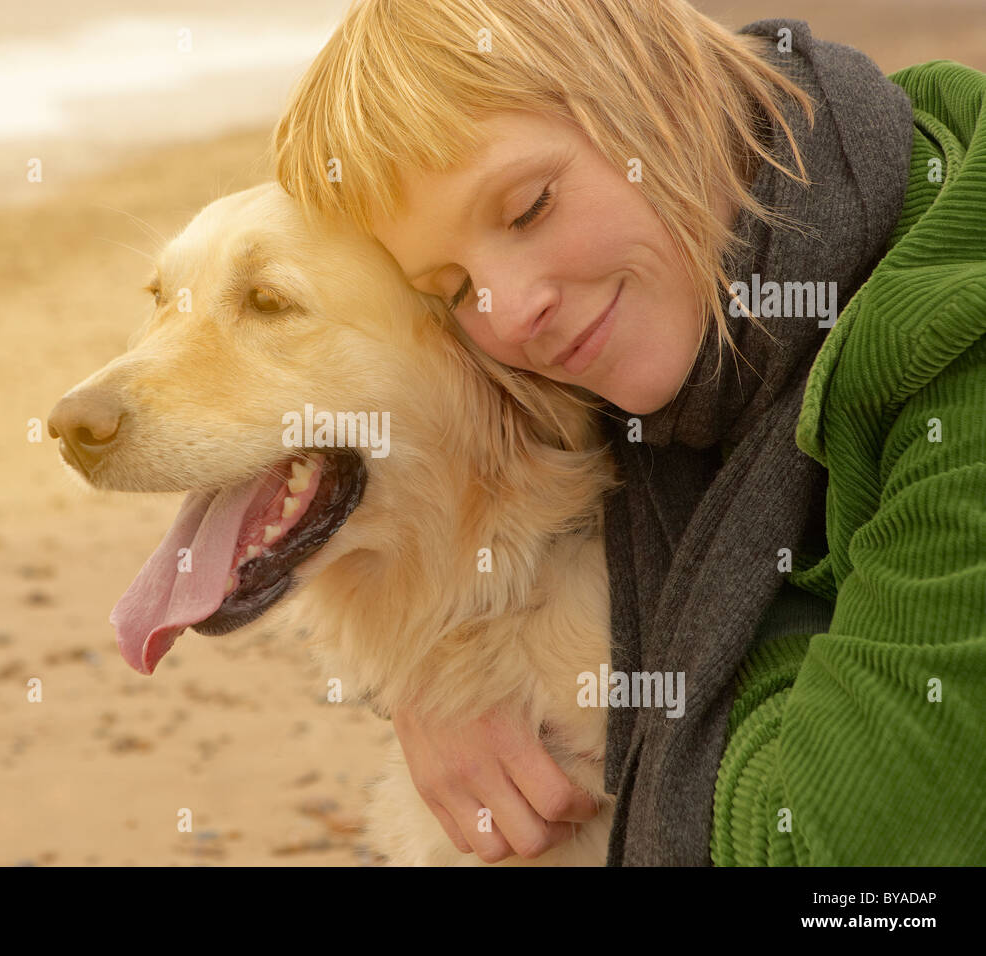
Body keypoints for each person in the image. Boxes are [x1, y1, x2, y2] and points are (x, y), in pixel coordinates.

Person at [272, 0, 986, 865]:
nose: (513, 311)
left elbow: (854, 867)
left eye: (530, 207)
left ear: (665, 92)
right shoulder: (679, 331)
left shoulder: (954, 346)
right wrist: (443, 682)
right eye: (453, 286)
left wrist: (582, 693)